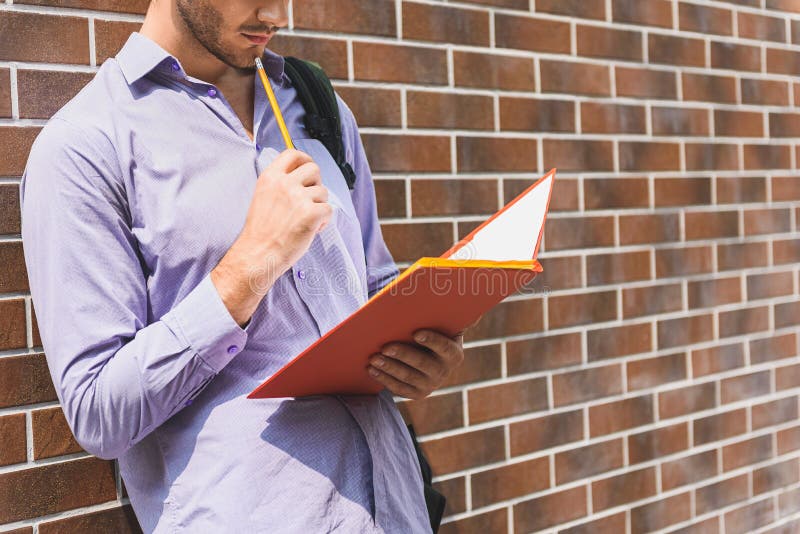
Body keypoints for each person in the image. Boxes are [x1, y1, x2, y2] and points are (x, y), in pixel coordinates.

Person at [20, 1, 474, 532]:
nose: (276, 13)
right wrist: (251, 264)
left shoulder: (317, 106)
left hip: (396, 509)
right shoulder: (85, 146)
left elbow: (371, 284)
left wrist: (419, 350)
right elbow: (99, 413)